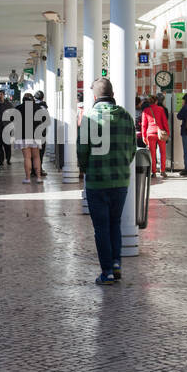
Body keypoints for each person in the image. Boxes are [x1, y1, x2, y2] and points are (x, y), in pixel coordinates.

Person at [77, 77, 137, 285]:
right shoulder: (127, 117)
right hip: (120, 182)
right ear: (112, 94)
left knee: (101, 228)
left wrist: (86, 169)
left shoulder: (89, 117)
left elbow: (82, 151)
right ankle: (116, 264)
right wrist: (121, 167)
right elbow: (132, 149)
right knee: (115, 224)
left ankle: (107, 272)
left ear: (95, 96)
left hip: (97, 182)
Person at [10, 93, 47, 183]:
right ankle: (38, 177)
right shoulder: (38, 108)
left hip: (23, 136)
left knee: (27, 157)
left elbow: (11, 119)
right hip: (36, 135)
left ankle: (28, 178)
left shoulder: (18, 108)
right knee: (36, 157)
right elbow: (44, 119)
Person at [141, 93, 169, 177]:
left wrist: (143, 135)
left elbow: (143, 125)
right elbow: (165, 122)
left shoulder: (145, 111)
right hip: (160, 133)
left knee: (152, 154)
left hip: (150, 134)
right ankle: (163, 171)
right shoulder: (160, 109)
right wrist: (167, 132)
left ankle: (153, 172)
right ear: (156, 101)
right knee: (163, 152)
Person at [34, 90, 50, 176]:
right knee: (40, 152)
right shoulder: (43, 107)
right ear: (42, 97)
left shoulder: (31, 106)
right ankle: (39, 169)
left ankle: (33, 170)